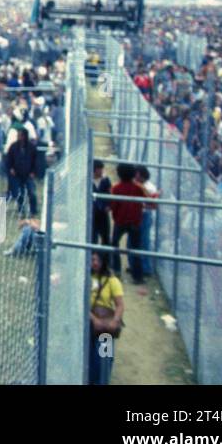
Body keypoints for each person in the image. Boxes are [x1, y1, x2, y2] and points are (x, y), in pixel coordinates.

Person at [88, 250, 124, 385]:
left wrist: (115, 321)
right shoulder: (86, 278)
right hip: (89, 321)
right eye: (92, 260)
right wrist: (93, 319)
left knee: (105, 356)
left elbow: (120, 305)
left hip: (105, 323)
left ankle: (102, 381)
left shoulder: (112, 280)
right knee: (90, 355)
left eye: (97, 260)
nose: (95, 263)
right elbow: (81, 301)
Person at [108, 162, 145, 284]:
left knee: (114, 245)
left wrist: (115, 213)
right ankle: (137, 276)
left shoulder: (116, 188)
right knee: (136, 249)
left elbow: (113, 205)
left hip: (120, 221)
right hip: (135, 222)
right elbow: (149, 199)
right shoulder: (138, 187)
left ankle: (117, 271)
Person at [5, 126, 38, 217]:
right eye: (18, 135)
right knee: (20, 194)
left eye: (20, 135)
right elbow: (9, 160)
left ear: (24, 136)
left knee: (31, 193)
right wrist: (11, 169)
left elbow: (35, 161)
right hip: (17, 175)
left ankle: (33, 211)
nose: (19, 137)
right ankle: (21, 210)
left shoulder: (31, 147)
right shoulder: (13, 147)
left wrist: (33, 172)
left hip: (28, 175)